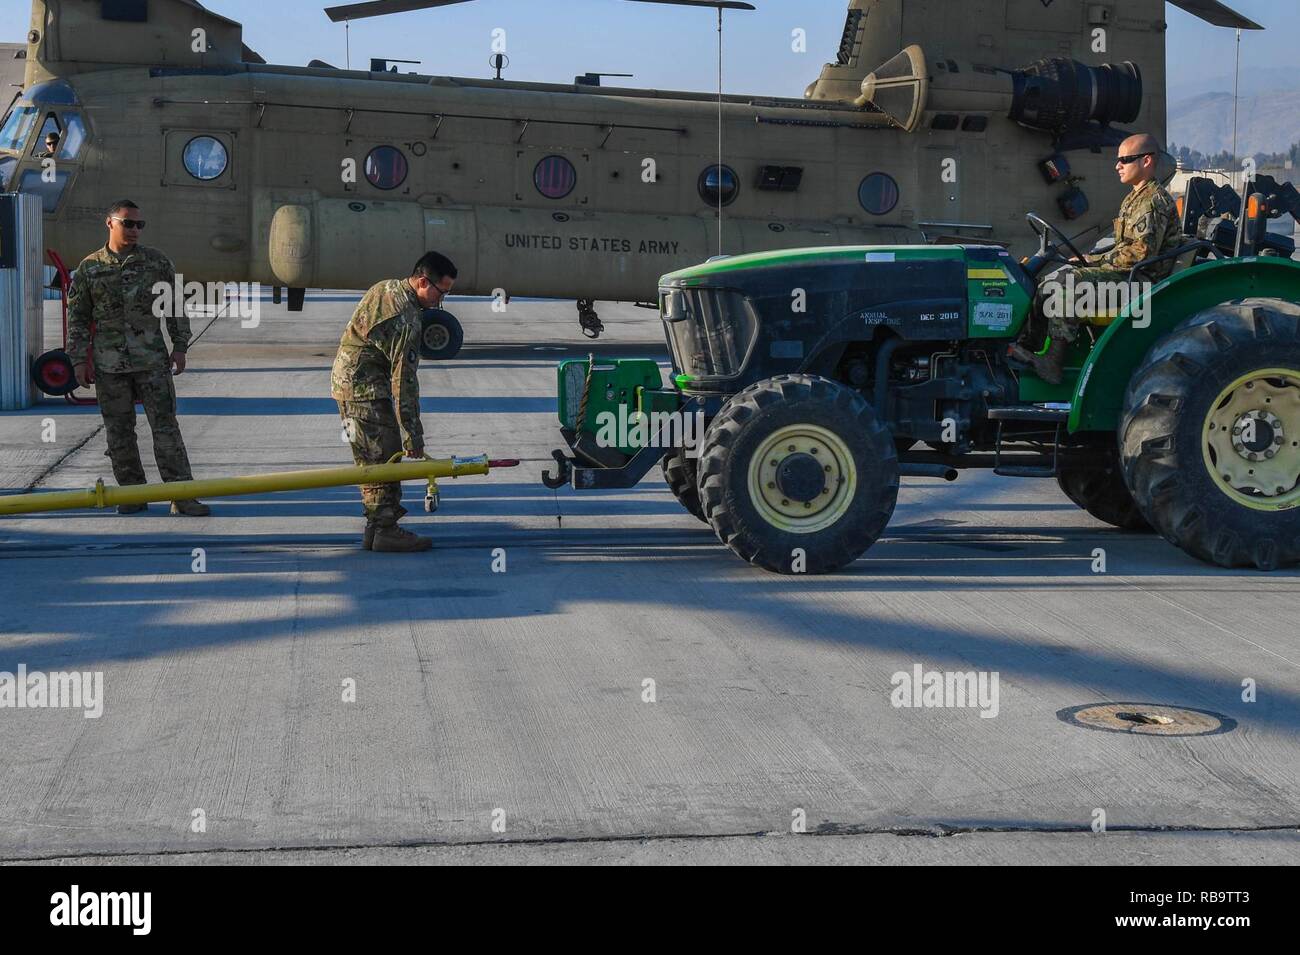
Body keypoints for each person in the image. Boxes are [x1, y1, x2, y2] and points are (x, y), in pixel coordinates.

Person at [67, 200, 209, 516]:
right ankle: (132, 494)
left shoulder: (157, 263)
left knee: (166, 429)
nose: (134, 230)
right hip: (109, 365)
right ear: (110, 223)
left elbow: (174, 306)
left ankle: (182, 495)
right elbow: (77, 318)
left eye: (139, 225)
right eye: (128, 223)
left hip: (152, 362)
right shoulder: (90, 268)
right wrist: (78, 359)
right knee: (118, 433)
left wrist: (181, 345)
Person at [1010, 133, 1182, 384]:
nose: (1117, 166)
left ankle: (1052, 363)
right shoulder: (1135, 198)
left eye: (1125, 159)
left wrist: (1094, 262)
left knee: (1067, 284)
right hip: (1129, 276)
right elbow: (1125, 246)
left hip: (1140, 283)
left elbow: (1140, 254)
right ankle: (1026, 347)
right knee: (1049, 280)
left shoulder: (1152, 202)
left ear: (1146, 161)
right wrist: (1091, 258)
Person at [332, 252, 457, 552]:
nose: (440, 302)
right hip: (365, 391)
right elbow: (405, 383)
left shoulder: (387, 287)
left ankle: (375, 530)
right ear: (423, 281)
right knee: (385, 458)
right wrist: (412, 434)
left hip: (349, 384)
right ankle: (386, 529)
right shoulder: (407, 318)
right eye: (441, 293)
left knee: (371, 459)